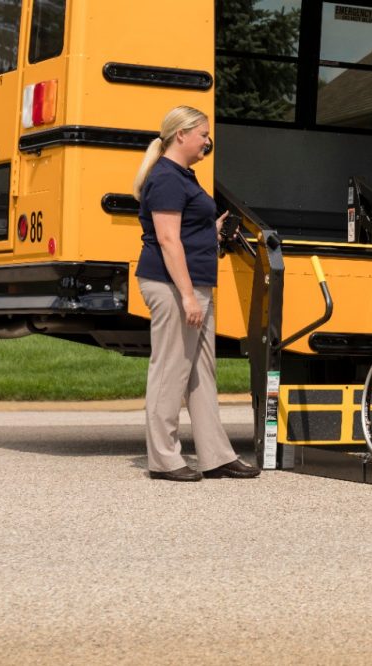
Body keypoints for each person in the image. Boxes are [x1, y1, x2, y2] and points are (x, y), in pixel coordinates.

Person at [132, 105, 258, 481]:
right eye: (203, 134)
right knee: (170, 370)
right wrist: (187, 296)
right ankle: (164, 459)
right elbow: (168, 240)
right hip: (173, 285)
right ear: (181, 135)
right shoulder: (167, 177)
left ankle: (216, 456)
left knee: (202, 372)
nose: (208, 140)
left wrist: (212, 229)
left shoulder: (184, 176)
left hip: (194, 283)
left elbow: (183, 231)